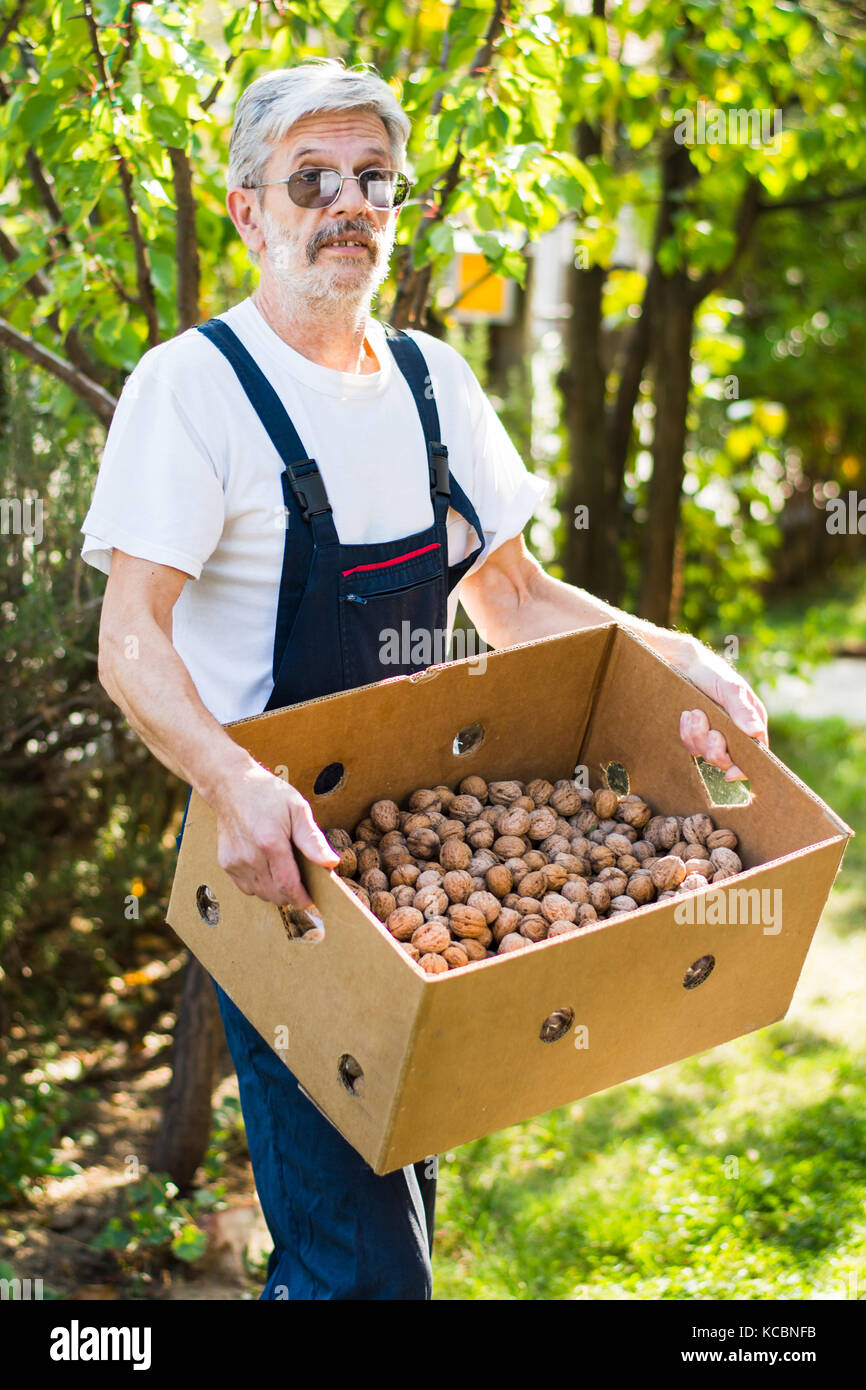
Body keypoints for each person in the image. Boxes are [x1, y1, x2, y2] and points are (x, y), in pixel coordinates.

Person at [81, 57, 769, 1301]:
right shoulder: (194, 389)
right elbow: (129, 635)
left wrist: (672, 657)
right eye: (311, 180)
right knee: (362, 1270)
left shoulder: (428, 383)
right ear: (248, 210)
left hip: (412, 864)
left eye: (370, 180)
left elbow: (511, 599)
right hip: (280, 867)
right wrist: (235, 783)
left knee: (394, 1199)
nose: (346, 203)